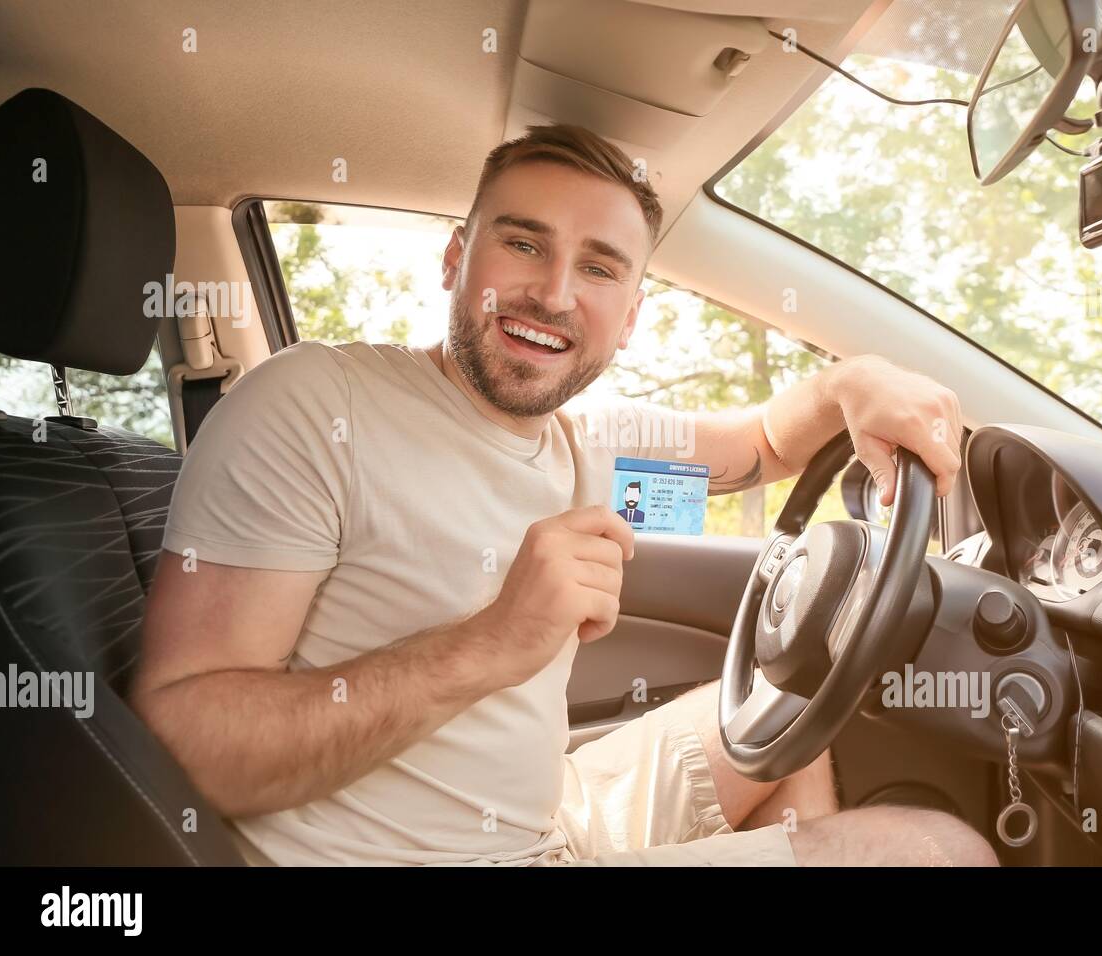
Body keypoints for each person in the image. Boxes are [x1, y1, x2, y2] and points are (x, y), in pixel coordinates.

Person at [131, 123, 995, 867]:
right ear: (454, 259)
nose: (553, 292)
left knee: (778, 711)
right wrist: (493, 643)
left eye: (600, 268)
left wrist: (860, 379)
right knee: (942, 854)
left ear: (630, 321)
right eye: (522, 243)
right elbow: (188, 740)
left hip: (551, 819)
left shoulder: (590, 443)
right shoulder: (315, 405)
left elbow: (762, 443)